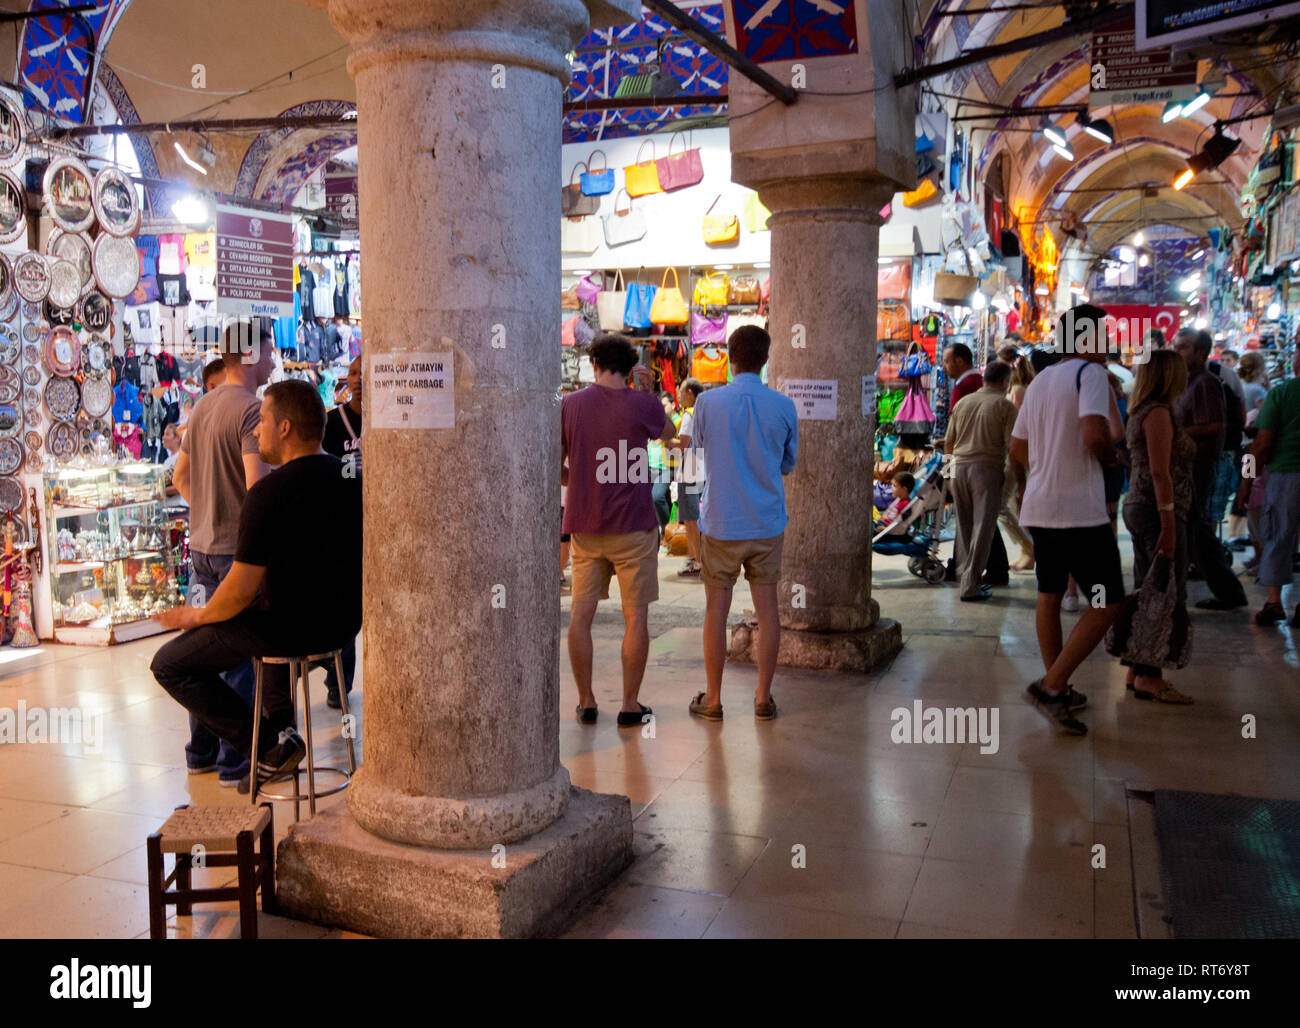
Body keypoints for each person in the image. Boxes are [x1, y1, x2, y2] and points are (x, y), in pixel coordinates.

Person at [151, 379, 362, 792]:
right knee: (265, 629)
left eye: (262, 421)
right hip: (342, 626)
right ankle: (280, 743)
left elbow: (239, 591)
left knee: (170, 664)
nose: (257, 431)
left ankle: (268, 746)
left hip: (289, 630)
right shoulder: (349, 476)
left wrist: (198, 615)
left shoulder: (266, 494)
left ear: (284, 427)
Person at [1010, 304, 1126, 735]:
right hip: (1078, 510)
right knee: (1108, 600)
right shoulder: (1089, 374)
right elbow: (1098, 435)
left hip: (1041, 507)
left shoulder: (1041, 380)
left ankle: (1056, 689)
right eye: (1103, 334)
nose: (1108, 343)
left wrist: (1041, 471)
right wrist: (1111, 459)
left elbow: (1017, 449)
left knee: (1050, 596)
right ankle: (1052, 683)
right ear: (1086, 338)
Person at [171, 319, 273, 785]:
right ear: (250, 355)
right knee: (238, 658)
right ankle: (240, 764)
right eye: (269, 350)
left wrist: (206, 509)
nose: (273, 360)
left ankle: (201, 754)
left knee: (201, 651)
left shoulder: (203, 406)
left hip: (201, 548)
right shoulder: (252, 411)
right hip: (237, 551)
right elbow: (257, 488)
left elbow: (180, 478)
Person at [562, 334, 676, 727]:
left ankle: (587, 701)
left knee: (581, 616)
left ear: (593, 361)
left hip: (585, 526)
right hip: (634, 527)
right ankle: (629, 704)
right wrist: (648, 392)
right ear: (631, 368)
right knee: (636, 619)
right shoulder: (643, 403)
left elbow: (556, 463)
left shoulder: (571, 406)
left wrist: (577, 476)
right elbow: (669, 433)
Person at [687, 325, 797, 721]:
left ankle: (714, 700)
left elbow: (693, 462)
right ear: (766, 359)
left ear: (729, 358)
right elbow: (787, 464)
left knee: (716, 610)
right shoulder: (784, 406)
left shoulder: (707, 403)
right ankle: (763, 698)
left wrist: (688, 517)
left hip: (721, 521)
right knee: (768, 611)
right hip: (766, 522)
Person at [1121, 350, 1196, 703]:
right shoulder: (1158, 414)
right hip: (1156, 510)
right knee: (1164, 592)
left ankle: (1137, 665)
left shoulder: (1142, 411)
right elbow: (1159, 471)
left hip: (1142, 506)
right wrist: (1169, 523)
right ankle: (1150, 674)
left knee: (1147, 587)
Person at [1171, 328, 1248, 610]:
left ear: (1201, 352)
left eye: (1184, 348)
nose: (1178, 352)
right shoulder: (1187, 382)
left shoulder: (1205, 383)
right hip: (1189, 465)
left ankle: (1228, 591)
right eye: (1176, 346)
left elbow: (1215, 426)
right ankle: (1227, 590)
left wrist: (1175, 434)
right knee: (1195, 528)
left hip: (1199, 466)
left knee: (1195, 527)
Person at [944, 360, 1018, 601]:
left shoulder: (963, 402)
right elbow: (1013, 447)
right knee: (982, 529)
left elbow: (948, 443)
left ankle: (965, 577)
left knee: (964, 528)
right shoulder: (1004, 406)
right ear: (1005, 382)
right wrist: (1017, 479)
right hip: (985, 471)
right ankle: (971, 584)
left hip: (958, 468)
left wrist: (947, 477)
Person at [320, 353, 362, 709]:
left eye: (365, 372)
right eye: (353, 373)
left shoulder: (390, 419)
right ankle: (339, 681)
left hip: (382, 524)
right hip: (342, 524)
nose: (359, 379)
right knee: (344, 602)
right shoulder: (333, 423)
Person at [1250, 350, 1300, 626]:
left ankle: (1274, 602)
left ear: (1297, 361)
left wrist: (1247, 482)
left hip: (1286, 474)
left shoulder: (1280, 394)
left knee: (1279, 534)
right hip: (1286, 471)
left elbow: (1261, 443)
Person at [673, 379, 705, 577]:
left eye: (681, 391)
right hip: (699, 467)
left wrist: (665, 439)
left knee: (691, 518)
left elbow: (682, 445)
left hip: (689, 469)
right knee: (693, 516)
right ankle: (694, 558)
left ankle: (698, 562)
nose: (679, 395)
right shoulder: (702, 413)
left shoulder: (688, 415)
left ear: (690, 393)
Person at [649, 392, 679, 535]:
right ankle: (661, 534)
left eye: (664, 406)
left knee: (657, 496)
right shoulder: (655, 421)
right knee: (657, 500)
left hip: (668, 467)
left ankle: (666, 532)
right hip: (651, 466)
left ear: (673, 405)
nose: (661, 409)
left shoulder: (678, 421)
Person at [943, 342, 982, 409]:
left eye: (946, 362)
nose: (944, 367)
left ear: (960, 361)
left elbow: (955, 418)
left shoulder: (962, 387)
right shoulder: (981, 380)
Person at [876, 472, 915, 536]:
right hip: (882, 523)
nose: (891, 488)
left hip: (886, 530)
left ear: (904, 489)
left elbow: (901, 525)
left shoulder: (906, 505)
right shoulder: (899, 500)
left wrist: (885, 529)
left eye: (894, 485)